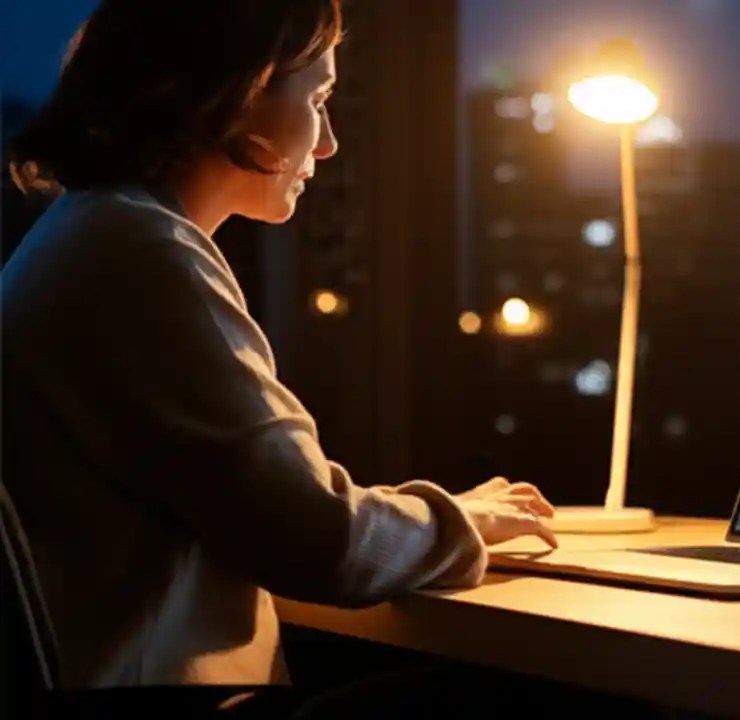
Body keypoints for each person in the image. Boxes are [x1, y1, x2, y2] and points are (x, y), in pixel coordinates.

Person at [1, 0, 558, 695]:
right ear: (236, 93)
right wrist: (464, 521)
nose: (326, 142)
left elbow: (266, 505)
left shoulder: (90, 235)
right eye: (318, 99)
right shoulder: (140, 254)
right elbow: (317, 543)